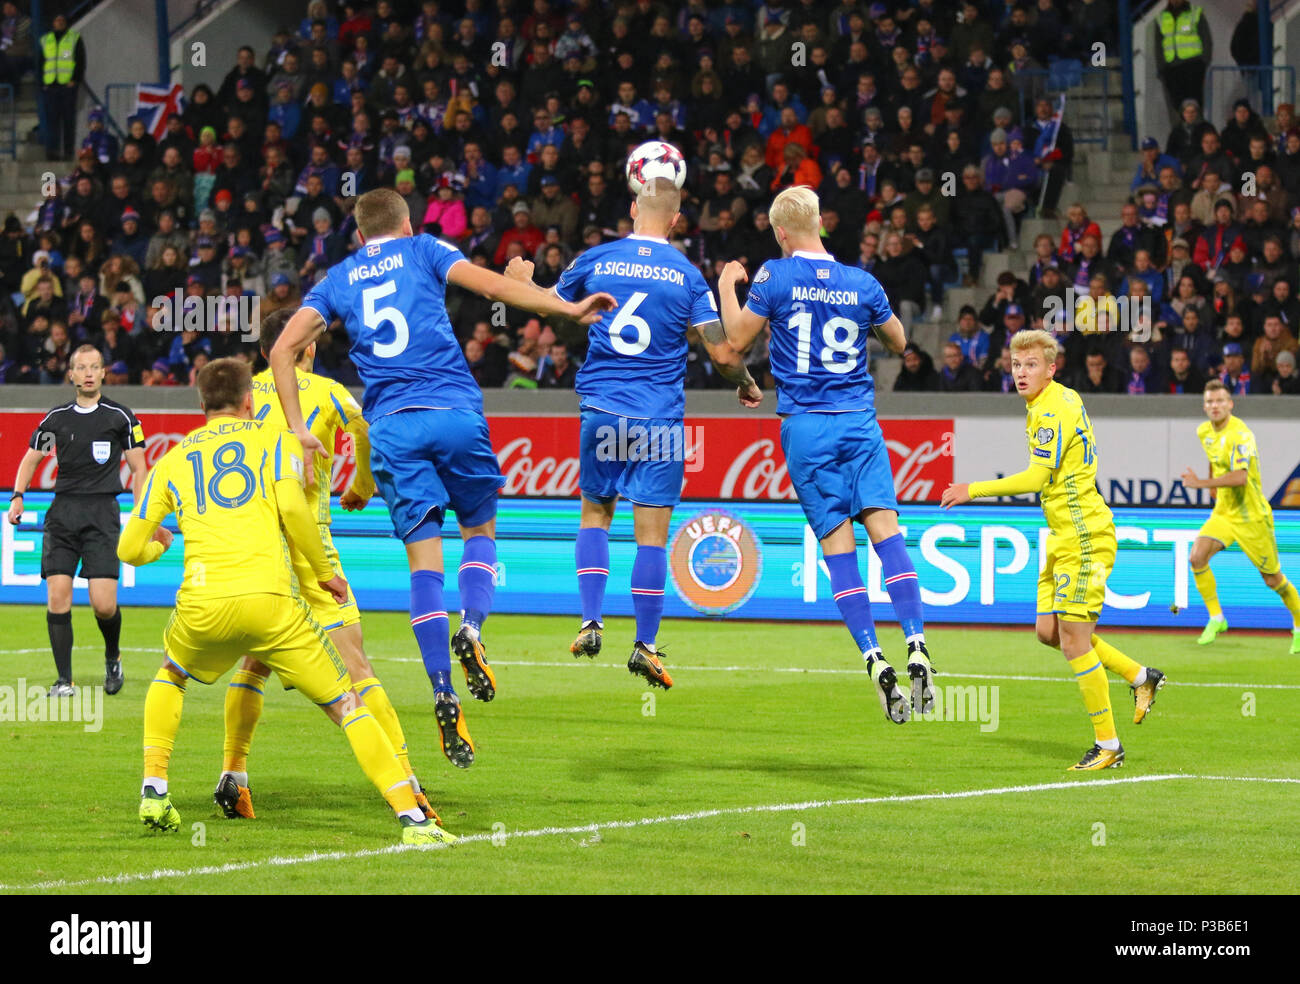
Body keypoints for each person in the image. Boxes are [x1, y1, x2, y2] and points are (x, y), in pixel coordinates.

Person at [268, 188, 615, 769]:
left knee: (422, 565)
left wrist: (301, 429)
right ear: (406, 225)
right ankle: (472, 628)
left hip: (392, 428)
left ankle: (440, 690)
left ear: (358, 236)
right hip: (454, 412)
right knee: (479, 534)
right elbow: (495, 288)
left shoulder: (337, 279)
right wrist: (563, 306)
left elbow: (282, 350)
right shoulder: (426, 249)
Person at [116, 358, 449, 846]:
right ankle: (413, 819)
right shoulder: (277, 441)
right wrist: (325, 573)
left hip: (203, 605)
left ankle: (155, 787)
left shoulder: (172, 459)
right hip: (272, 603)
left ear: (200, 403)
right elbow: (294, 510)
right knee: (347, 704)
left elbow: (127, 549)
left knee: (171, 674)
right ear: (249, 402)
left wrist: (162, 543)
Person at [507, 177, 757, 687]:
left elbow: (543, 306)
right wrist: (747, 383)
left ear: (631, 209)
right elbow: (722, 353)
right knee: (652, 538)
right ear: (676, 220)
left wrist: (519, 279)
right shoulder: (688, 277)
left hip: (603, 409)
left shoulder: (595, 260)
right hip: (658, 420)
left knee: (596, 515)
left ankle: (590, 623)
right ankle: (644, 645)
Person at [718, 185, 935, 724]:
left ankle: (874, 658)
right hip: (859, 423)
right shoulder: (863, 282)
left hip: (807, 428)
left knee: (840, 550)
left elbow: (733, 342)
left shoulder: (775, 274)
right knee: (886, 533)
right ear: (820, 224)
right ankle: (917, 644)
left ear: (782, 233)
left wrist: (726, 286)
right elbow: (900, 343)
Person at [212, 309, 437, 823]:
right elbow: (366, 425)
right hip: (312, 551)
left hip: (256, 553)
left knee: (256, 662)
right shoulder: (328, 391)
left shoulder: (245, 399)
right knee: (355, 667)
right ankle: (406, 778)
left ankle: (234, 773)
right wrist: (362, 482)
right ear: (307, 347)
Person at [942, 329, 1167, 771]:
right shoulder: (1058, 399)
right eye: (1016, 365)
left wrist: (974, 488)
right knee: (1049, 632)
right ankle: (1142, 676)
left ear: (1051, 368)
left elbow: (1034, 478)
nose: (1021, 373)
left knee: (1074, 641)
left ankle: (1108, 745)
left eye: (1030, 365)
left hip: (1084, 537)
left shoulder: (1050, 412)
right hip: (1062, 537)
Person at [7, 345, 146, 696]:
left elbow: (139, 468)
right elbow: (30, 459)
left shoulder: (122, 417)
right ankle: (63, 680)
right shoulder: (55, 419)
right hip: (63, 514)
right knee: (57, 596)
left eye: (94, 367)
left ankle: (113, 657)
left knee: (103, 604)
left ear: (103, 373)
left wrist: (143, 512)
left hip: (102, 514)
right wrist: (17, 495)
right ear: (70, 374)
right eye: (81, 367)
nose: (87, 373)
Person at [1182, 381, 1300, 653]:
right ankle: (1217, 618)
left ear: (1230, 404)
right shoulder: (1204, 431)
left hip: (1252, 517)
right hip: (1224, 512)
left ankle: (1298, 624)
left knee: (1273, 579)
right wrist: (1212, 482)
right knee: (1196, 557)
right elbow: (1213, 457)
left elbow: (1240, 477)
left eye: (1220, 401)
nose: (1214, 406)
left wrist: (1202, 484)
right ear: (1204, 406)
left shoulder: (1242, 435)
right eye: (1210, 402)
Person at [37, 12, 84, 161]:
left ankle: (68, 151)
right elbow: (40, 62)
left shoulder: (74, 38)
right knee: (52, 121)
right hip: (51, 87)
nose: (59, 22)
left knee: (68, 120)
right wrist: (42, 83)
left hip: (67, 87)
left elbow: (80, 60)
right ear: (53, 23)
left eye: (62, 20)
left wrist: (75, 80)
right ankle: (53, 151)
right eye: (57, 20)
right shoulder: (46, 40)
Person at [1156, 0, 1212, 119]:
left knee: (1195, 106)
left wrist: (1203, 63)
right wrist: (1162, 68)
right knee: (1176, 107)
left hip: (1193, 66)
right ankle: (1181, 135)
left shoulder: (1195, 12)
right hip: (1171, 69)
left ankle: (1198, 134)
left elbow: (1206, 38)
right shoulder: (1161, 17)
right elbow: (1158, 45)